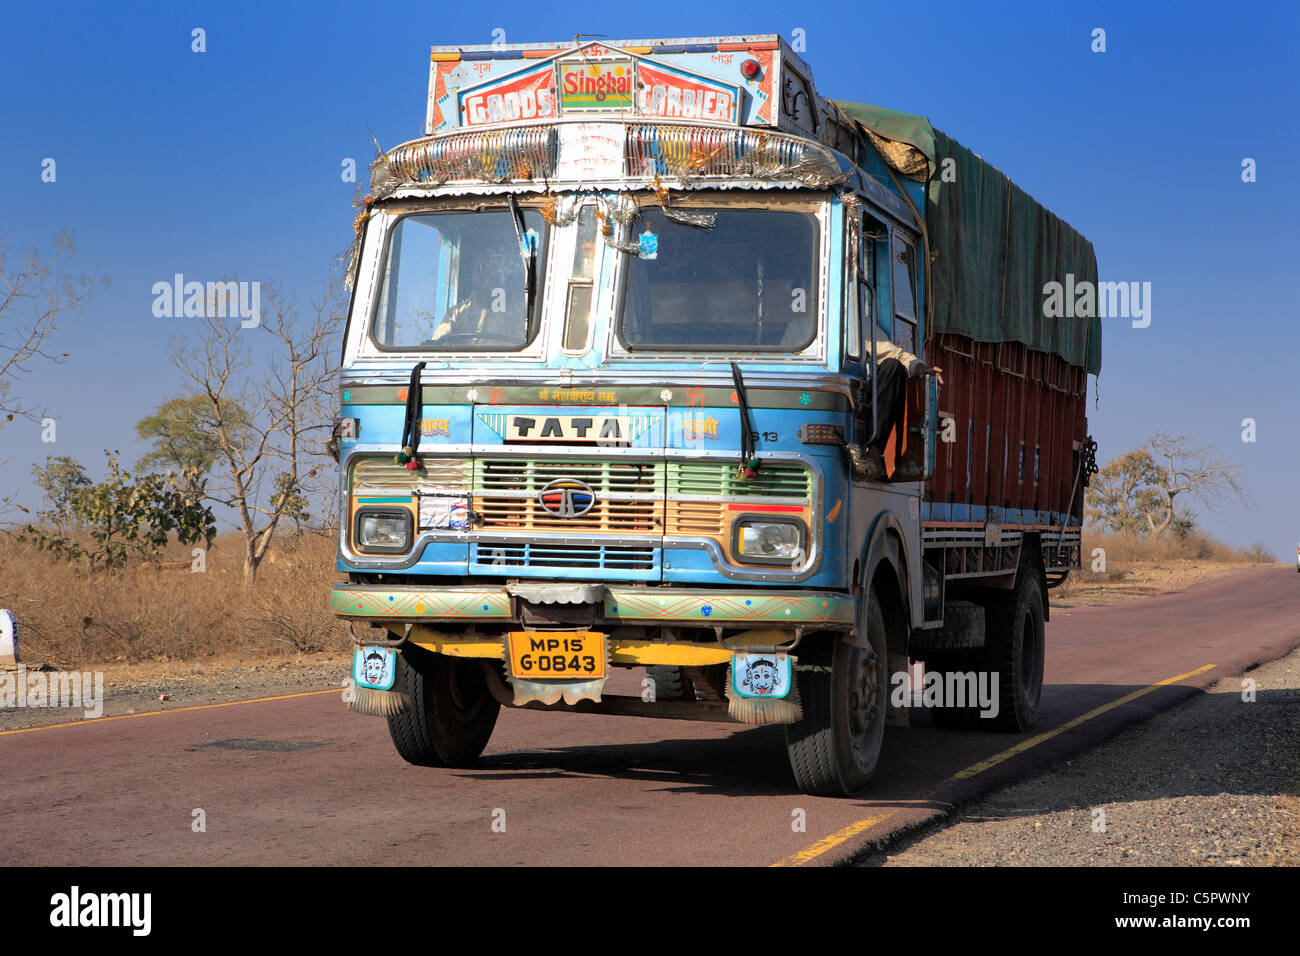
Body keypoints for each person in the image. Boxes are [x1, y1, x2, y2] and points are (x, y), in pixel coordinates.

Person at [859, 332, 943, 480]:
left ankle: (874, 450)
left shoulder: (859, 324)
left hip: (860, 402)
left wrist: (921, 369)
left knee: (892, 365)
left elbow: (898, 355)